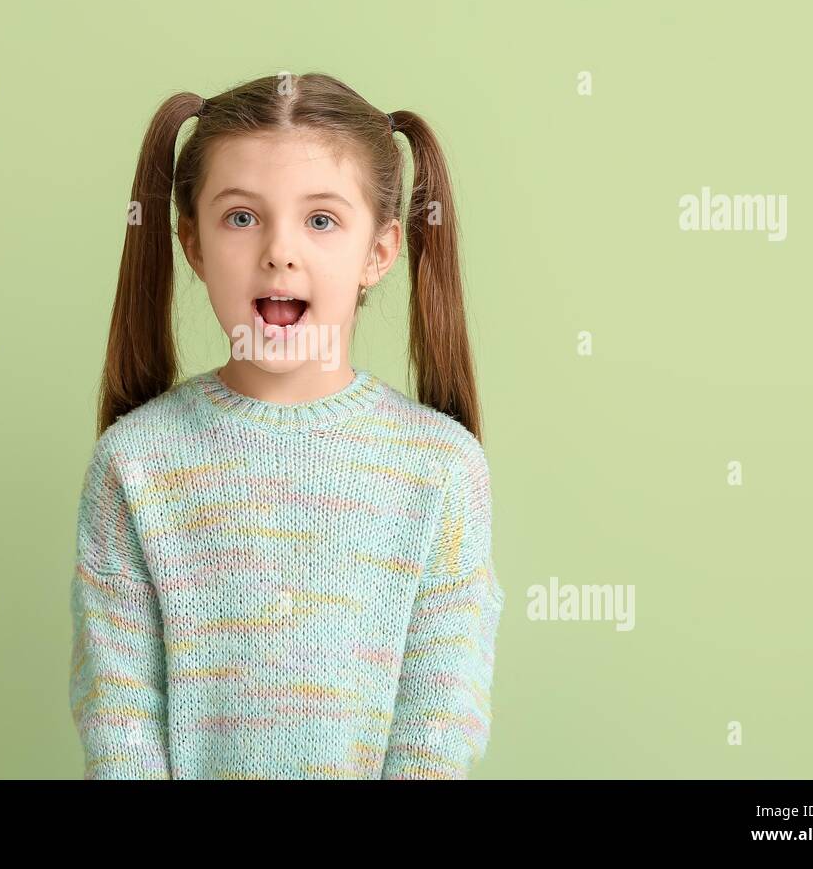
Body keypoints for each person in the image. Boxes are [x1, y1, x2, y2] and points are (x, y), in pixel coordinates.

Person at [70, 71, 504, 779]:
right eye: (241, 217)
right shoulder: (135, 464)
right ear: (193, 244)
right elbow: (121, 728)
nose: (280, 250)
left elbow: (438, 730)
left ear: (379, 252)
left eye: (321, 219)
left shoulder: (442, 469)